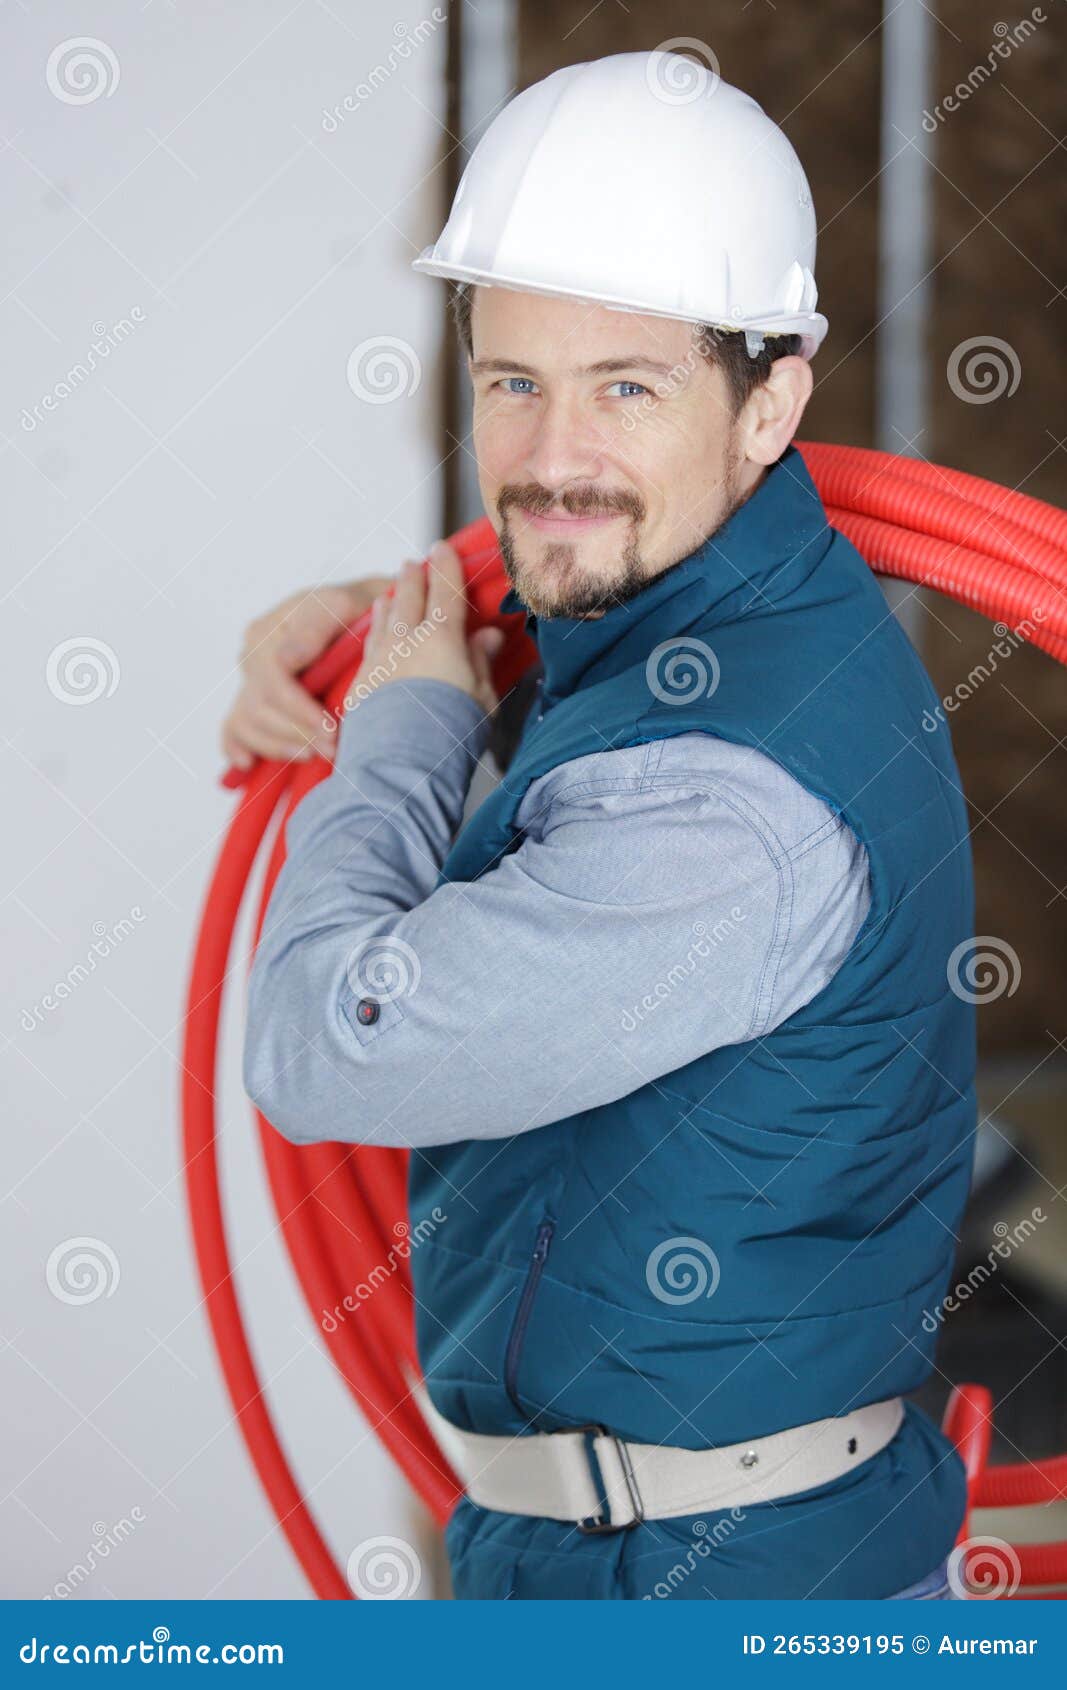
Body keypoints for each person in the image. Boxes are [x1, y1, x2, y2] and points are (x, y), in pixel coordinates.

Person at [235, 53, 975, 1600]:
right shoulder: (714, 630)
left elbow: (325, 1040)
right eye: (516, 383)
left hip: (709, 1580)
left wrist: (406, 729)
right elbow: (608, 668)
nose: (553, 454)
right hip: (595, 1548)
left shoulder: (728, 811)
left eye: (625, 387)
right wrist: (387, 635)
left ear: (772, 398)